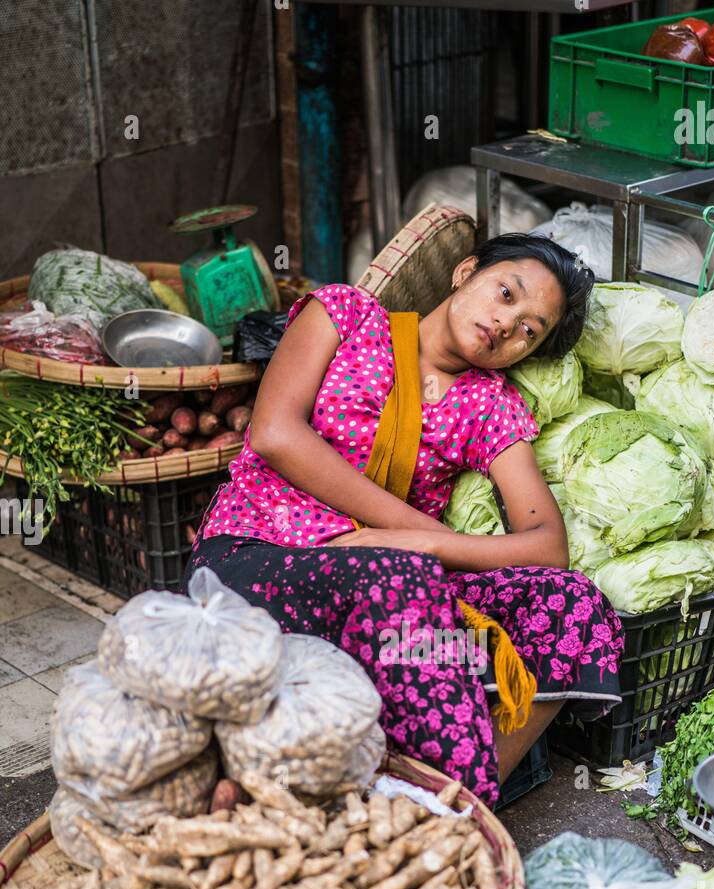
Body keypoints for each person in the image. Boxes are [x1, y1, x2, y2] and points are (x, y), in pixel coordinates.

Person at [185, 233, 624, 806]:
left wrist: (406, 543)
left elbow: (546, 545)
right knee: (399, 580)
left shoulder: (491, 405)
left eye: (529, 331)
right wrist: (396, 541)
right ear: (465, 271)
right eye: (505, 292)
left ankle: (453, 808)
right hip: (264, 555)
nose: (506, 323)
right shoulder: (344, 315)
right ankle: (426, 802)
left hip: (394, 588)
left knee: (575, 603)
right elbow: (274, 434)